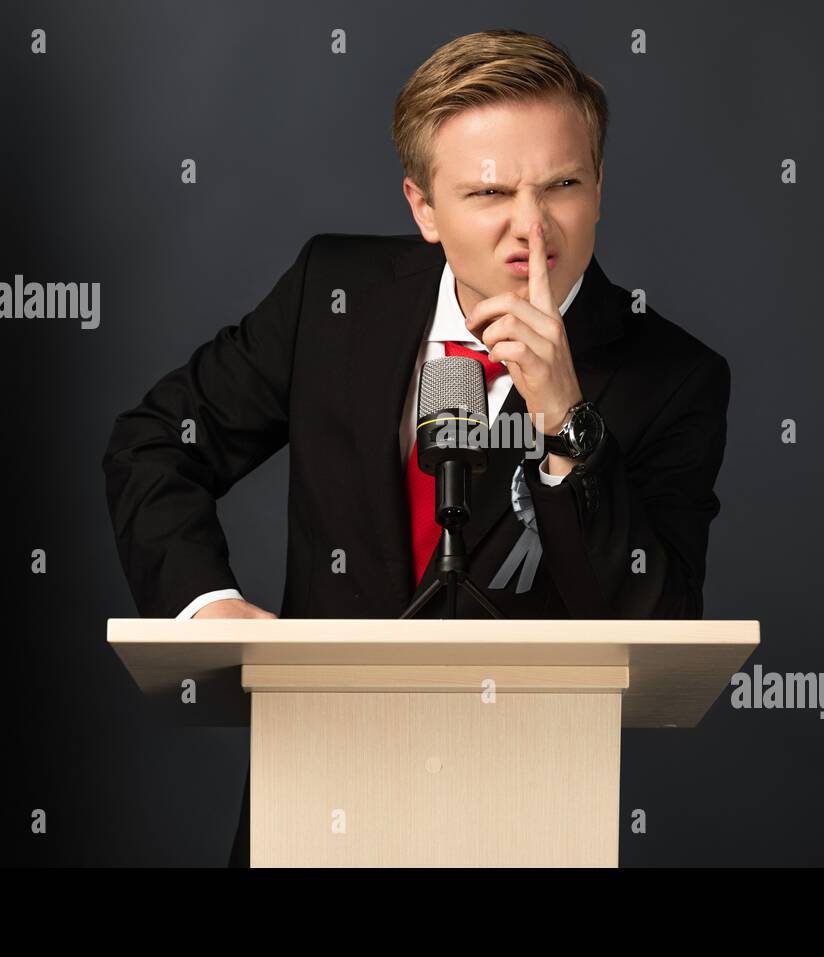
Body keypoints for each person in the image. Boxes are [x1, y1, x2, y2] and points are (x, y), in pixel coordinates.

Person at [101, 29, 731, 867]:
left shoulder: (675, 375)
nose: (530, 228)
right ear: (422, 207)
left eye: (563, 185)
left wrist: (566, 419)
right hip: (313, 802)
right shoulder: (335, 296)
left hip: (529, 818)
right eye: (488, 193)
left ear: (601, 188)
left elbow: (657, 621)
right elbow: (156, 443)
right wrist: (204, 607)